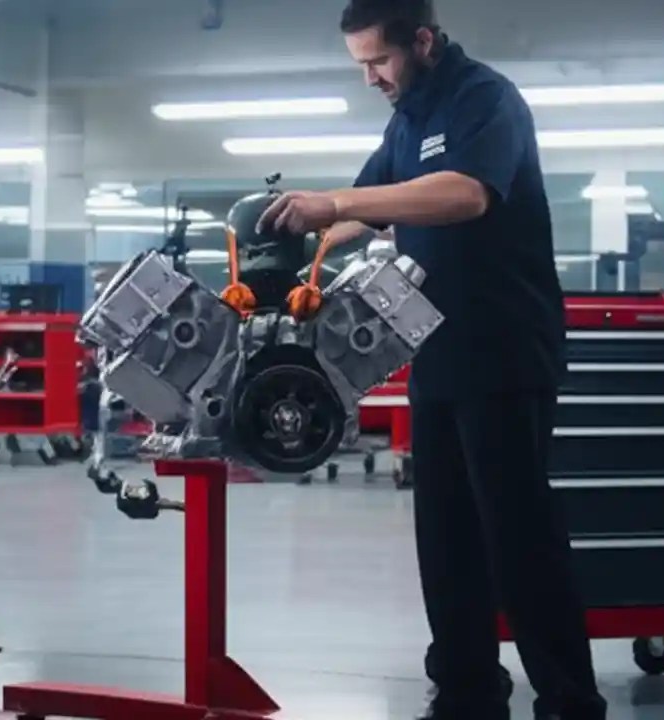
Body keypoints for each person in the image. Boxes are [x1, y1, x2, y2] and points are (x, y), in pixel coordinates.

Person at [256, 1, 608, 718]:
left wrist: (337, 202)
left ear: (422, 41)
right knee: (445, 534)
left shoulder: (485, 99)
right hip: (436, 350)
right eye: (359, 64)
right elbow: (369, 212)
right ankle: (467, 689)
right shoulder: (407, 117)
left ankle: (570, 700)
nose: (370, 77)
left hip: (505, 351)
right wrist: (308, 242)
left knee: (519, 536)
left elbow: (464, 194)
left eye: (378, 61)